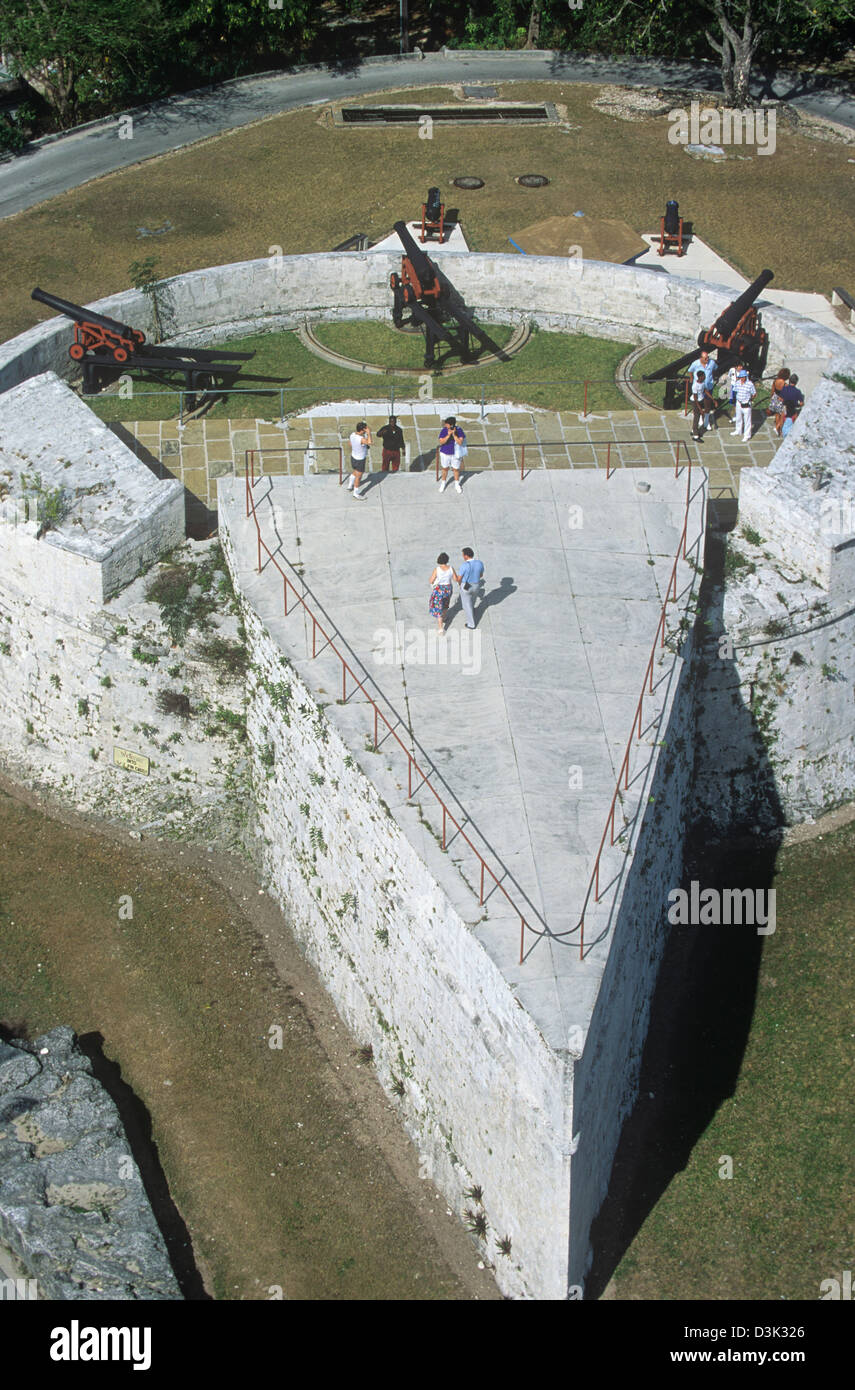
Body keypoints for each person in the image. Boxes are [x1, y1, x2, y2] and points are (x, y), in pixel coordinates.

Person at [687, 349, 718, 430]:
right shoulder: (695, 363)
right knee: (699, 405)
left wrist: (711, 378)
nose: (707, 359)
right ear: (701, 358)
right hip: (699, 388)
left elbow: (715, 369)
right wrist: (691, 379)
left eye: (707, 357)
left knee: (707, 405)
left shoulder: (712, 363)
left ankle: (706, 422)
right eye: (705, 358)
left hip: (708, 387)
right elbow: (690, 371)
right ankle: (701, 419)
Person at [428, 552, 458, 633]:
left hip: (439, 590)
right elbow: (455, 579)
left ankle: (441, 628)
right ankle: (444, 617)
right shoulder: (451, 568)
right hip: (448, 589)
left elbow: (431, 580)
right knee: (445, 604)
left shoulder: (437, 569)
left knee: (438, 608)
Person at [458, 546, 485, 629]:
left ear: (466, 556)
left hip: (466, 586)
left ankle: (471, 624)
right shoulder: (480, 563)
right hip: (476, 585)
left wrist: (460, 584)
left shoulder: (464, 565)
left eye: (463, 555)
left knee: (467, 604)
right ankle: (472, 608)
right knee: (473, 598)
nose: (463, 557)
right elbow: (481, 575)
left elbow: (459, 578)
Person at [438, 417, 465, 494]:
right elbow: (441, 442)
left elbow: (460, 442)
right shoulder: (444, 430)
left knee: (456, 469)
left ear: (451, 425)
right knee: (445, 468)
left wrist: (454, 435)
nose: (445, 425)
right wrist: (448, 435)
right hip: (445, 453)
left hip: (456, 454)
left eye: (447, 424)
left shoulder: (459, 430)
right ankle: (443, 483)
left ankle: (457, 484)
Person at [346, 421, 371, 497]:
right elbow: (369, 443)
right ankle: (356, 493)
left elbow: (350, 443)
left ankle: (350, 486)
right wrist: (369, 433)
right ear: (363, 430)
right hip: (360, 459)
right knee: (358, 476)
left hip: (353, 457)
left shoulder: (352, 435)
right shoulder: (362, 439)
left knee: (355, 471)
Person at [730, 368, 756, 442]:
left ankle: (747, 435)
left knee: (747, 420)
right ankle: (738, 430)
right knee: (738, 417)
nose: (742, 378)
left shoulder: (750, 384)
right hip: (739, 402)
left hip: (746, 404)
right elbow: (735, 390)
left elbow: (754, 394)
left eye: (743, 377)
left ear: (746, 377)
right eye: (741, 377)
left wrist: (750, 400)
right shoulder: (737, 383)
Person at [768, 367, 790, 437]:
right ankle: (778, 428)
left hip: (775, 398)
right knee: (782, 416)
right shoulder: (785, 385)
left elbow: (772, 391)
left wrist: (771, 398)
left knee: (777, 414)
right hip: (781, 401)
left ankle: (777, 428)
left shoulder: (775, 381)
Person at [690, 369, 708, 441]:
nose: (705, 377)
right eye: (704, 376)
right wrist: (700, 409)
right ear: (700, 377)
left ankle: (694, 430)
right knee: (696, 417)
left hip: (700, 400)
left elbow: (705, 391)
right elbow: (695, 398)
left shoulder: (702, 383)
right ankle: (695, 436)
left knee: (699, 416)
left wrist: (712, 399)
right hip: (695, 401)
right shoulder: (695, 386)